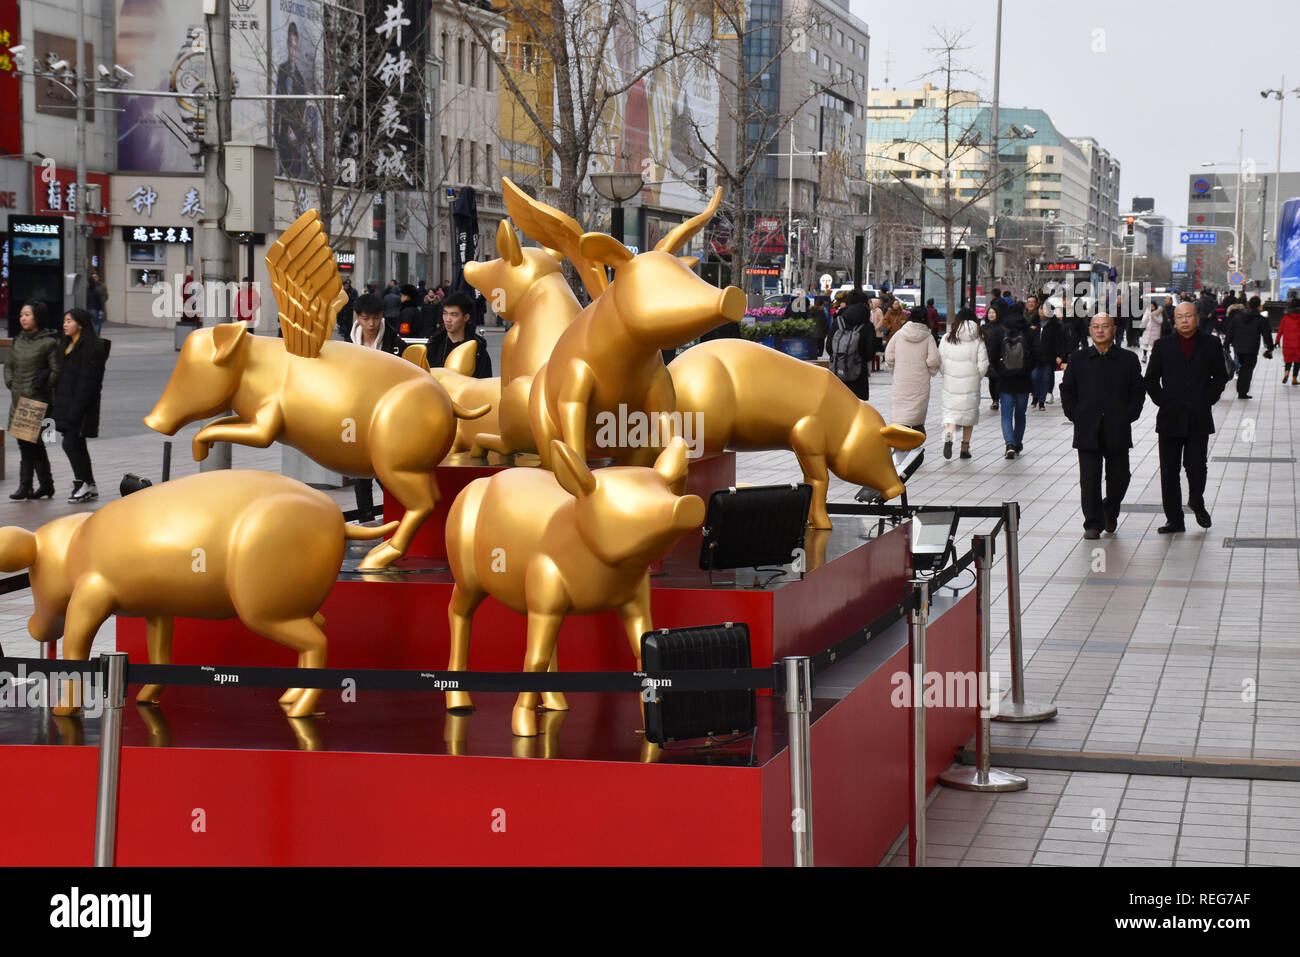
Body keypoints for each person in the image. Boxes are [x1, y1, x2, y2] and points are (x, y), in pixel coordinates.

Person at [1144, 301, 1228, 534]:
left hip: (1198, 417)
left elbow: (1221, 376)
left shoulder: (1211, 344)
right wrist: (1163, 400)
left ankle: (1196, 500)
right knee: (1169, 471)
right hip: (1170, 417)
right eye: (1179, 316)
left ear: (1197, 318)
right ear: (1175, 319)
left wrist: (1208, 398)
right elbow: (1150, 378)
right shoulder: (1162, 345)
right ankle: (1174, 519)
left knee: (1196, 466)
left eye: (1188, 316)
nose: (1184, 320)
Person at [1060, 314, 1145, 539]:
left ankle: (1110, 507)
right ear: (1089, 330)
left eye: (1105, 326)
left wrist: (1128, 415)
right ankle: (1093, 523)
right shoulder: (1078, 359)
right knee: (1089, 479)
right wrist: (1075, 414)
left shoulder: (1128, 359)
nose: (1100, 331)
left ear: (1114, 329)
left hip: (1117, 428)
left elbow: (1138, 390)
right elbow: (1067, 389)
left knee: (1120, 477)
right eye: (1095, 327)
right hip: (1087, 428)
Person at [52, 308, 110, 504]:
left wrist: (75, 411)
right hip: (69, 406)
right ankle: (88, 484)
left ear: (81, 324)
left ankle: (85, 483)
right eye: (64, 320)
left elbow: (88, 382)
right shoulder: (68, 345)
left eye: (69, 321)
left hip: (81, 408)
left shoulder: (91, 347)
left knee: (70, 443)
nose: (65, 324)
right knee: (76, 444)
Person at [5, 301, 60, 500]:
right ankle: (46, 485)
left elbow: (56, 371)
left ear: (38, 317)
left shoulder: (48, 342)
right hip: (18, 400)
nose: (23, 318)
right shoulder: (18, 339)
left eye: (27, 314)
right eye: (21, 315)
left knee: (29, 444)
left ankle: (26, 486)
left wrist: (42, 387)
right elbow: (9, 365)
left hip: (36, 401)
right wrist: (10, 381)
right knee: (30, 445)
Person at [938, 307, 988, 460]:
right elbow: (984, 364)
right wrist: (976, 376)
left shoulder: (947, 338)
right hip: (970, 384)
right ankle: (965, 447)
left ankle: (948, 435)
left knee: (950, 413)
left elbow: (940, 360)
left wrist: (946, 373)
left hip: (951, 382)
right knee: (968, 416)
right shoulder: (978, 338)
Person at [986, 300, 1033, 458]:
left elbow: (992, 354)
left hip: (1005, 380)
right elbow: (1036, 354)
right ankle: (1018, 443)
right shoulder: (1027, 331)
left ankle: (1009, 444)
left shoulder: (1000, 331)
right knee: (1020, 414)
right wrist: (1027, 368)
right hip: (1023, 380)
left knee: (1006, 414)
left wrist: (1000, 370)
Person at [884, 306, 940, 434]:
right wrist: (931, 372)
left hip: (901, 380)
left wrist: (894, 369)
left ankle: (900, 435)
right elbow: (933, 360)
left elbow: (889, 355)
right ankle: (917, 436)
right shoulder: (928, 337)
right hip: (920, 381)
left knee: (901, 413)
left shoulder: (899, 334)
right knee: (916, 414)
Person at [425, 291, 491, 376]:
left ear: (466, 317)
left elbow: (484, 383)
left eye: (454, 315)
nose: (448, 319)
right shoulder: (434, 344)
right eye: (445, 313)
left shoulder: (477, 350)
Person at [1222, 295, 1274, 399]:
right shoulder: (1261, 319)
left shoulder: (1237, 317)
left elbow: (1230, 331)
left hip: (1238, 348)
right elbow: (1266, 334)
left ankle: (1241, 390)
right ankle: (1242, 392)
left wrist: (1226, 345)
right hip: (1251, 348)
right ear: (1259, 306)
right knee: (1247, 369)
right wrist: (1270, 347)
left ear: (1248, 305)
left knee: (1243, 368)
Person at [274, 20, 307, 178]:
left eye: (294, 47)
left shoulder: (300, 79)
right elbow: (277, 104)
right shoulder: (282, 69)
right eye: (290, 46)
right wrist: (276, 132)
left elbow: (303, 111)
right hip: (282, 130)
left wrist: (297, 136)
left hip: (295, 133)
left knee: (293, 171)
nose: (292, 51)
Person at [829, 291, 876, 400]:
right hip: (858, 373)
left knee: (839, 404)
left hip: (838, 372)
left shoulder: (838, 322)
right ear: (865, 304)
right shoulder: (867, 326)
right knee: (857, 406)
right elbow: (870, 352)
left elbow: (829, 347)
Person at [1028, 297, 1061, 411]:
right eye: (1041, 309)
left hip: (1048, 356)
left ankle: (1041, 401)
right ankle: (1035, 397)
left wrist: (1059, 355)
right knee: (1034, 377)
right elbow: (1028, 339)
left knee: (1045, 379)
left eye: (1045, 309)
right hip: (1035, 356)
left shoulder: (1054, 325)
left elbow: (1058, 341)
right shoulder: (1033, 323)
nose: (1042, 311)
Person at [983, 297, 1005, 410]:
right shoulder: (984, 328)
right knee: (992, 380)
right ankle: (995, 400)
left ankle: (1000, 398)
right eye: (989, 312)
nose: (991, 315)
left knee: (1000, 380)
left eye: (993, 312)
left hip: (999, 358)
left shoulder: (1002, 328)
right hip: (988, 358)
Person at [1275, 293, 1300, 385]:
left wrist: (1277, 341)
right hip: (1298, 343)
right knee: (1297, 361)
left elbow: (1280, 331)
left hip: (1287, 343)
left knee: (1288, 360)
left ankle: (1286, 373)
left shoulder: (1285, 318)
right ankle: (1294, 379)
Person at [86, 270, 108, 335]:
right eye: (93, 277)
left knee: (97, 323)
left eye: (96, 277)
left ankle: (95, 335)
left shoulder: (102, 286)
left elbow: (105, 296)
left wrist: (102, 304)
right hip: (94, 309)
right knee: (96, 323)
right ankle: (95, 335)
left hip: (95, 308)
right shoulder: (91, 289)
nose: (95, 278)